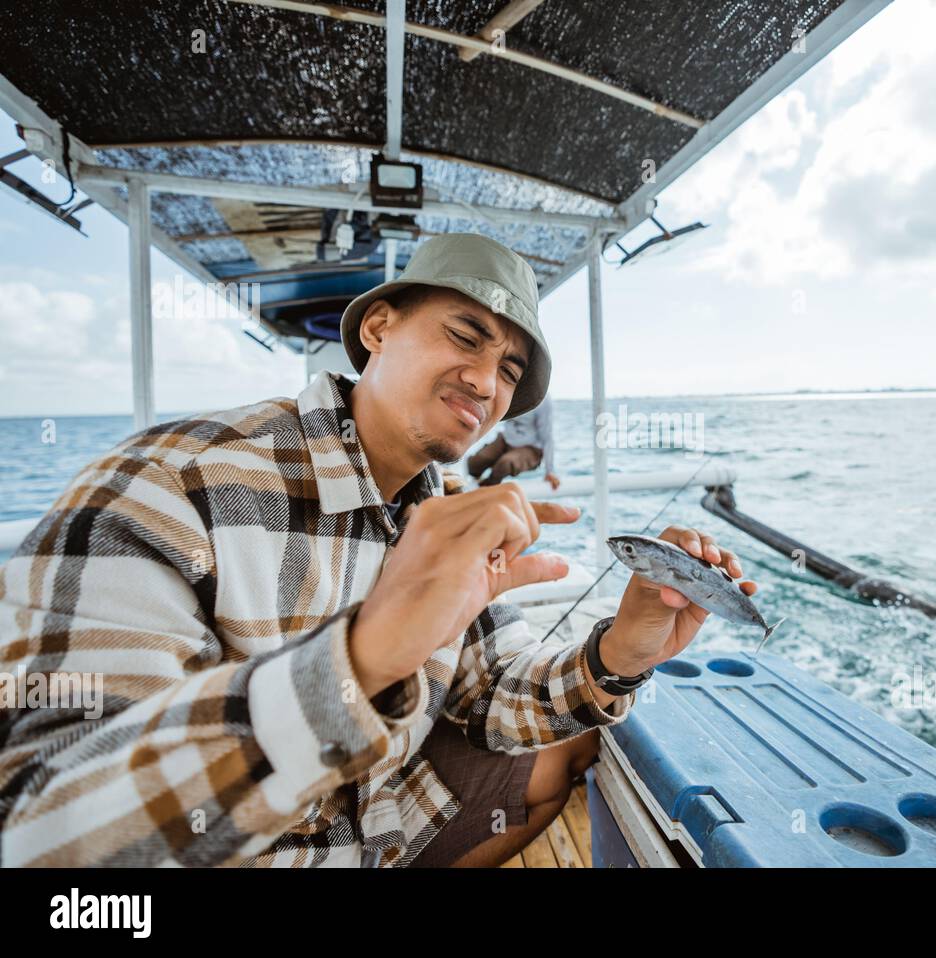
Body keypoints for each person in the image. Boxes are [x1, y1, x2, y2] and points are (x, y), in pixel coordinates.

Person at [0, 232, 756, 868]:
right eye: (466, 336)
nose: (487, 381)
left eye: (511, 370)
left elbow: (491, 698)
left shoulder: (445, 509)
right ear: (377, 328)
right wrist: (357, 661)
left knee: (566, 755)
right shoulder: (171, 482)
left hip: (378, 833)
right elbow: (41, 830)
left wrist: (623, 652)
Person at [468, 393, 561, 489]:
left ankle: (484, 492)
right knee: (475, 462)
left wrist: (550, 471)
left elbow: (547, 437)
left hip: (530, 448)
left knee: (504, 464)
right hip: (506, 439)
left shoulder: (543, 400)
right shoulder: (512, 389)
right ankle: (473, 485)